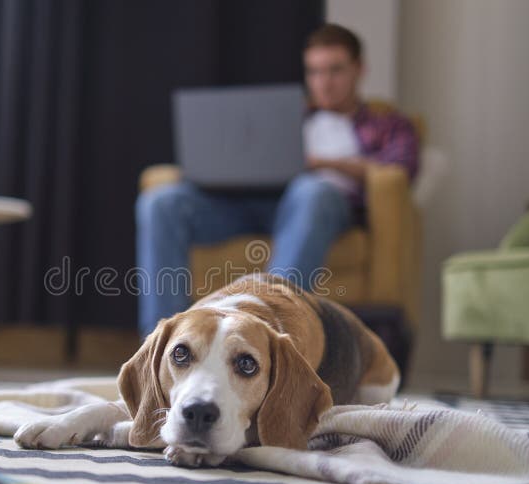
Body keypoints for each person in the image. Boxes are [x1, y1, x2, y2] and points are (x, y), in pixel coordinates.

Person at [135, 23, 420, 337]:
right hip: (253, 202)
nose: (324, 82)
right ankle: (164, 339)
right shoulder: (287, 117)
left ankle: (266, 330)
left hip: (320, 207)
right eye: (314, 72)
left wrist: (322, 164)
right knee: (161, 202)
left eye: (335, 70)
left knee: (311, 189)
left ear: (359, 69)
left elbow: (401, 169)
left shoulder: (386, 124)